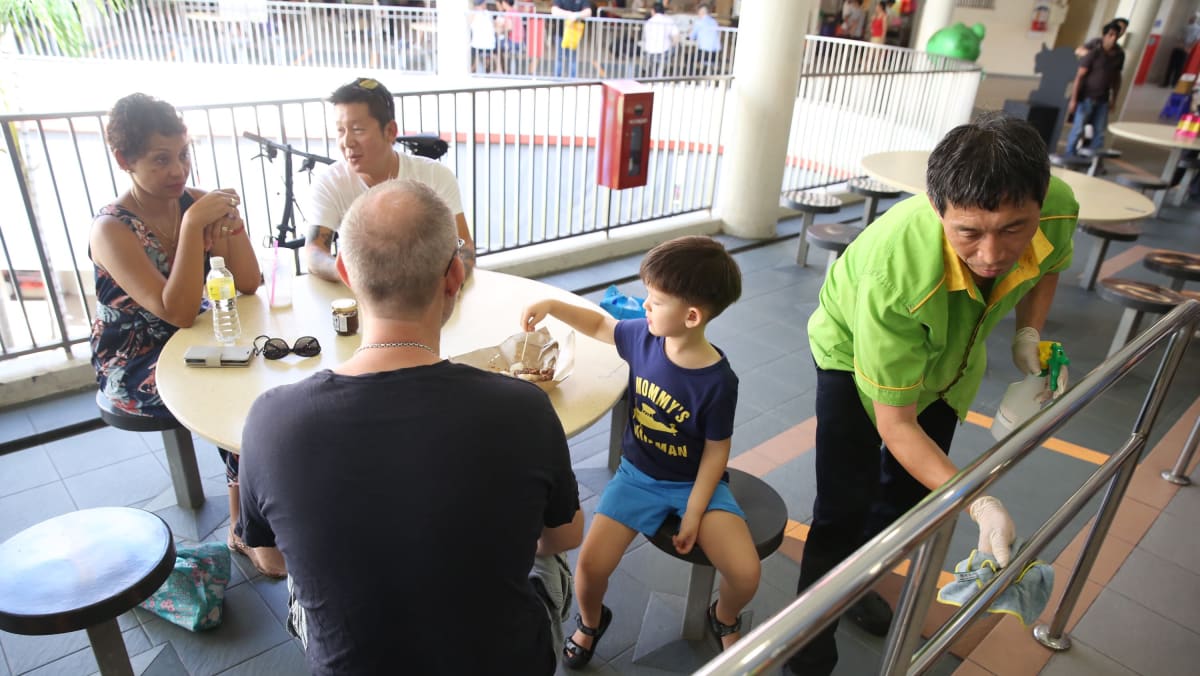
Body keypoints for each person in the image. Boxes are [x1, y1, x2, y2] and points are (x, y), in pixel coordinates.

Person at [238, 180, 583, 675]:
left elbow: (271, 559)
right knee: (544, 549)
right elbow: (566, 532)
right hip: (504, 663)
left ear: (345, 274)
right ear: (454, 276)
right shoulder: (524, 408)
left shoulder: (272, 419)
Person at [788, 112, 1078, 676]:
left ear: (1038, 206)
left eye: (1013, 229)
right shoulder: (893, 274)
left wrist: (1029, 333)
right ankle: (806, 650)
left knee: (905, 499)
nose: (993, 255)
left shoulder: (1056, 205)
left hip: (952, 358)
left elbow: (1050, 264)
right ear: (937, 207)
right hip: (853, 356)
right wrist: (980, 501)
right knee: (842, 505)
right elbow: (896, 424)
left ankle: (858, 579)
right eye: (969, 232)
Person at [521, 236, 760, 666]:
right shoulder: (642, 339)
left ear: (691, 316)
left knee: (745, 573)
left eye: (655, 300)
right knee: (590, 571)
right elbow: (598, 326)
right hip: (636, 477)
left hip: (692, 484)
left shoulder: (718, 383)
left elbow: (715, 452)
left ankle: (723, 616)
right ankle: (592, 622)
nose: (644, 306)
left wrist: (694, 511)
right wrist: (552, 307)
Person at [89, 93, 282, 578]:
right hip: (136, 359)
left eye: (182, 155)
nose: (178, 170)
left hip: (199, 334)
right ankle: (246, 528)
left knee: (268, 375)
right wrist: (196, 226)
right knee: (236, 395)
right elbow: (173, 311)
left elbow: (249, 282)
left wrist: (229, 226)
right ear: (123, 160)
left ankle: (257, 513)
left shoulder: (195, 204)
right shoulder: (112, 230)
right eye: (161, 159)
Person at [303, 77, 476, 283]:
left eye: (358, 130)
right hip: (362, 298)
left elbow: (463, 245)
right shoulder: (330, 182)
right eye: (341, 130)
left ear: (390, 131)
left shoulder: (435, 176)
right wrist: (349, 274)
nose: (347, 142)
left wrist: (449, 284)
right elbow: (314, 251)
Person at [1066, 21, 1124, 157]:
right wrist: (1073, 100)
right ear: (1104, 35)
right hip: (1086, 97)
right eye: (1110, 35)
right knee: (1078, 128)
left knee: (1099, 131)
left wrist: (1114, 99)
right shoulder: (1094, 52)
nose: (1113, 38)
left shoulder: (1119, 55)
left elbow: (1117, 78)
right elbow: (1079, 77)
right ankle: (1070, 155)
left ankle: (1094, 160)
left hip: (1103, 98)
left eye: (1116, 35)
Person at [552, 0, 592, 78]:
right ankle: (557, 79)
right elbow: (554, 10)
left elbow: (588, 12)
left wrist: (576, 15)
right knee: (559, 57)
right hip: (560, 33)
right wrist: (569, 14)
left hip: (573, 34)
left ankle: (572, 80)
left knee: (572, 58)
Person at [643, 3, 679, 77]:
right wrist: (672, 44)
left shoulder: (648, 22)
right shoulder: (669, 20)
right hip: (663, 52)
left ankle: (651, 74)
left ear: (653, 11)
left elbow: (645, 37)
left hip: (649, 51)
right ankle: (673, 72)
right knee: (677, 47)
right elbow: (676, 37)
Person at [690, 3, 722, 75]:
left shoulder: (699, 22)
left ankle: (689, 78)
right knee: (699, 56)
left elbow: (691, 36)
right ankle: (706, 73)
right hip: (716, 54)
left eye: (698, 12)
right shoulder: (714, 22)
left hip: (704, 53)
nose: (698, 14)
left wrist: (690, 31)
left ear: (701, 12)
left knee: (689, 58)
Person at [469, 0, 498, 74]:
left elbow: (469, 25)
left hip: (477, 45)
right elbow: (495, 27)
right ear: (483, 4)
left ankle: (471, 71)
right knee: (494, 55)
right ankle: (499, 71)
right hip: (489, 45)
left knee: (477, 58)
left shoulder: (473, 14)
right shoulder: (488, 14)